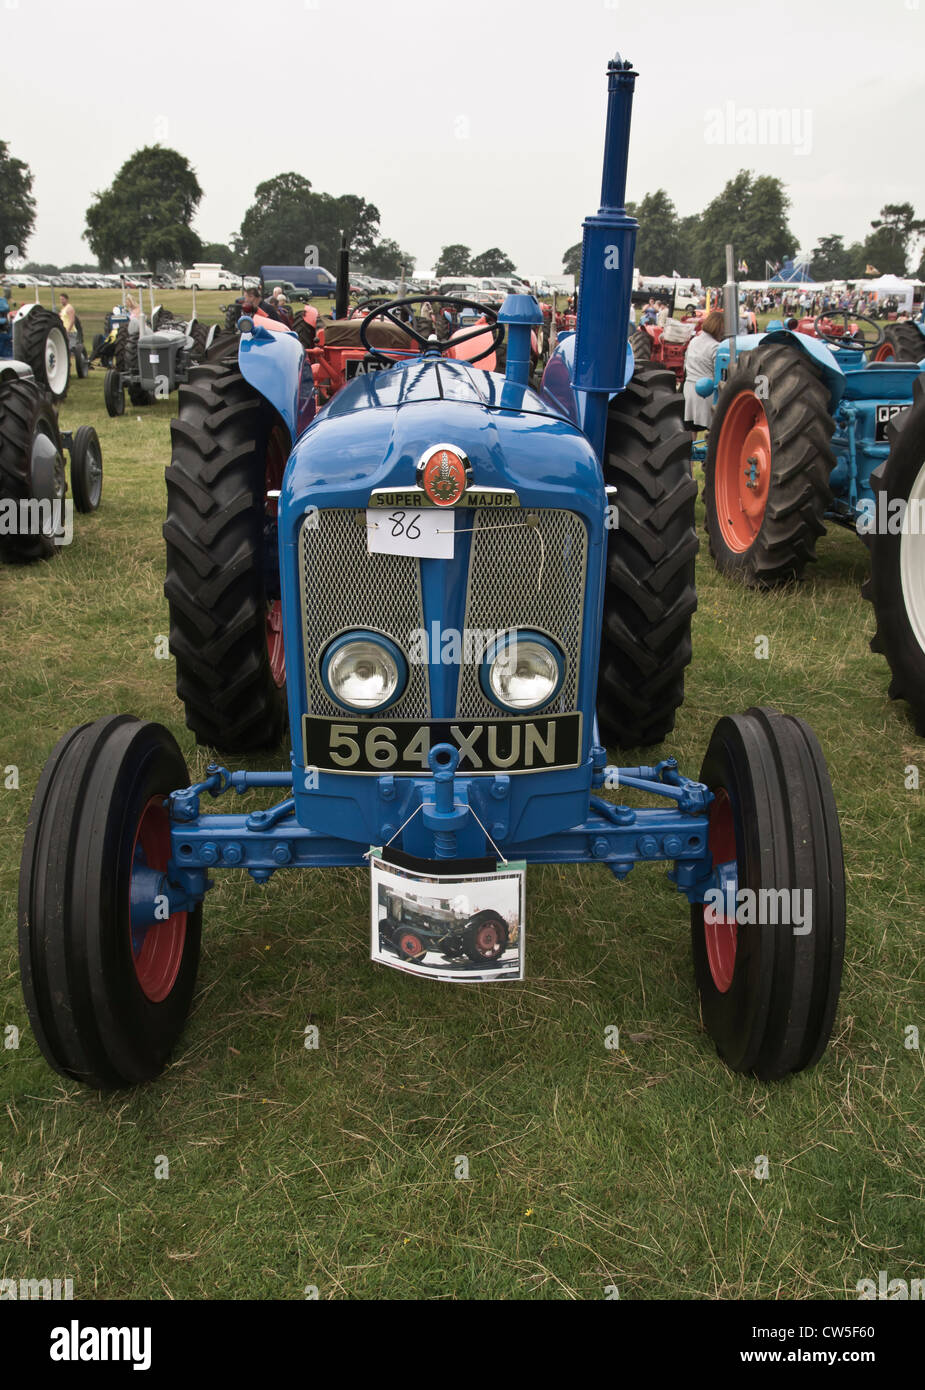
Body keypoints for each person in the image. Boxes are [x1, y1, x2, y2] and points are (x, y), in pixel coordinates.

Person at [682, 310, 725, 433]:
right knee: (713, 429)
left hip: (689, 388)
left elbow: (686, 364)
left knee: (690, 427)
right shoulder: (716, 347)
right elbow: (720, 374)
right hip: (707, 392)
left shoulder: (694, 341)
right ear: (719, 328)